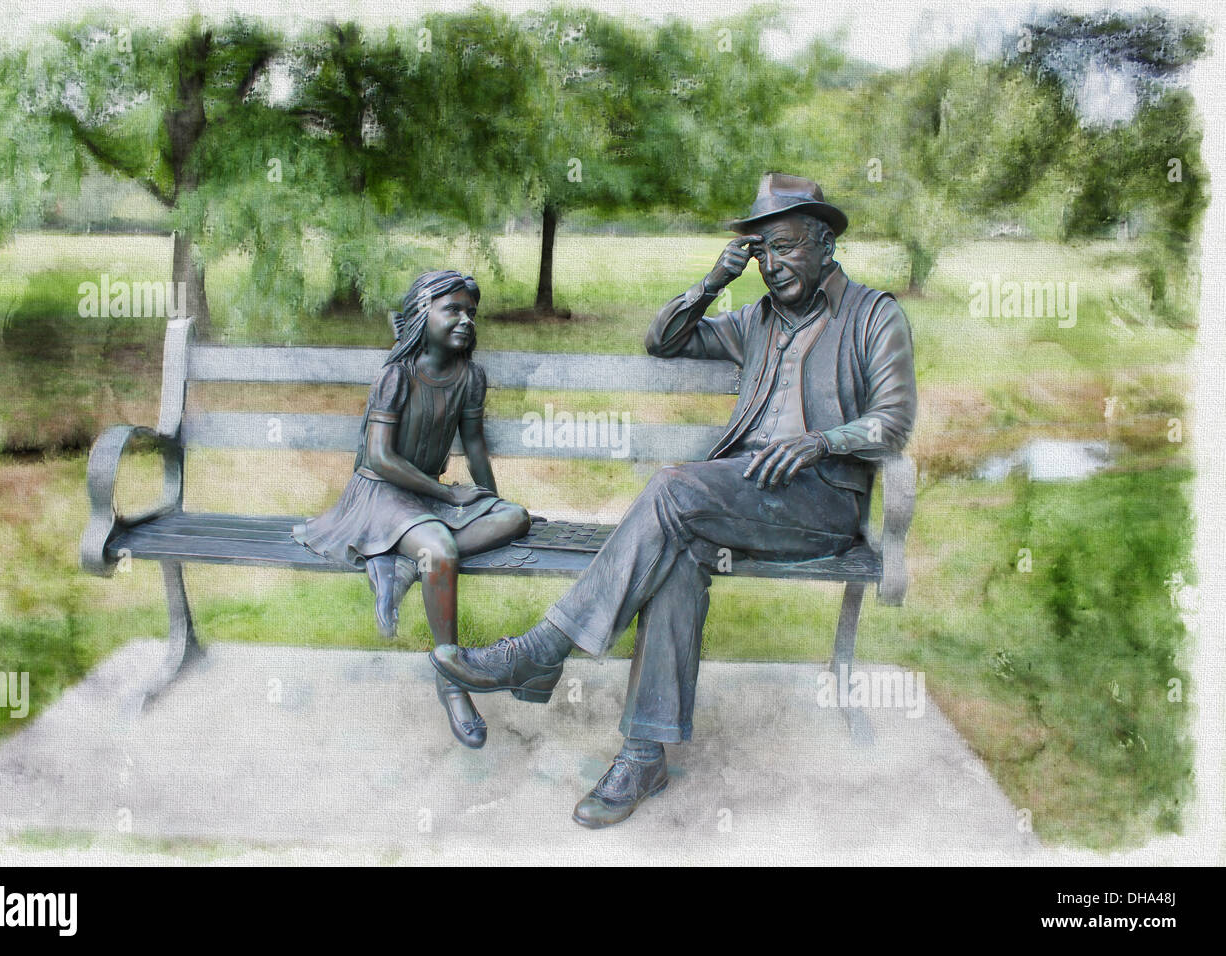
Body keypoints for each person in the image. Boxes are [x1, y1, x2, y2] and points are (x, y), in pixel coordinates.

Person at [430, 174, 918, 825]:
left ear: (825, 244)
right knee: (678, 552)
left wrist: (822, 443)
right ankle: (643, 752)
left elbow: (893, 421)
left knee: (671, 491)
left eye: (786, 248)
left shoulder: (873, 315)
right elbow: (663, 340)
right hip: (733, 501)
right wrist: (714, 282)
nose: (772, 265)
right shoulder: (758, 320)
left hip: (819, 506)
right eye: (761, 252)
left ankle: (543, 650)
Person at [293, 270, 531, 749]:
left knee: (516, 518)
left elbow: (476, 446)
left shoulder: (470, 378)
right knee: (440, 552)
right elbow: (379, 458)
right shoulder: (396, 376)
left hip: (422, 497)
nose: (465, 319)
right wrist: (449, 497)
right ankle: (453, 680)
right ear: (423, 315)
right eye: (453, 310)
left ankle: (403, 563)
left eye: (471, 312)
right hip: (379, 496)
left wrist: (488, 498)